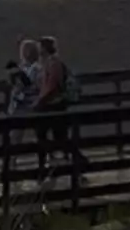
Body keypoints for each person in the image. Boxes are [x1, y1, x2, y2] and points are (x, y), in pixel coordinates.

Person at [32, 36, 89, 170]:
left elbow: (52, 86)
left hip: (53, 105)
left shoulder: (53, 63)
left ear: (45, 48)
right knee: (56, 137)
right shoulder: (47, 63)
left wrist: (40, 101)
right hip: (51, 104)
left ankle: (78, 161)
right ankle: (76, 161)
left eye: (40, 46)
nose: (38, 49)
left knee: (54, 137)